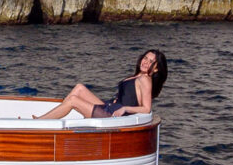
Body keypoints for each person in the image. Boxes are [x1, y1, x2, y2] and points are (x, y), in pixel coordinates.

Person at [33, 49, 167, 120]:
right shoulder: (138, 76)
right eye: (145, 58)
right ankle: (53, 117)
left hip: (113, 116)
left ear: (156, 69)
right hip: (110, 106)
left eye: (151, 62)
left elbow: (146, 108)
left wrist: (125, 109)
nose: (145, 62)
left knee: (73, 100)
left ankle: (41, 122)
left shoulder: (145, 79)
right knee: (79, 88)